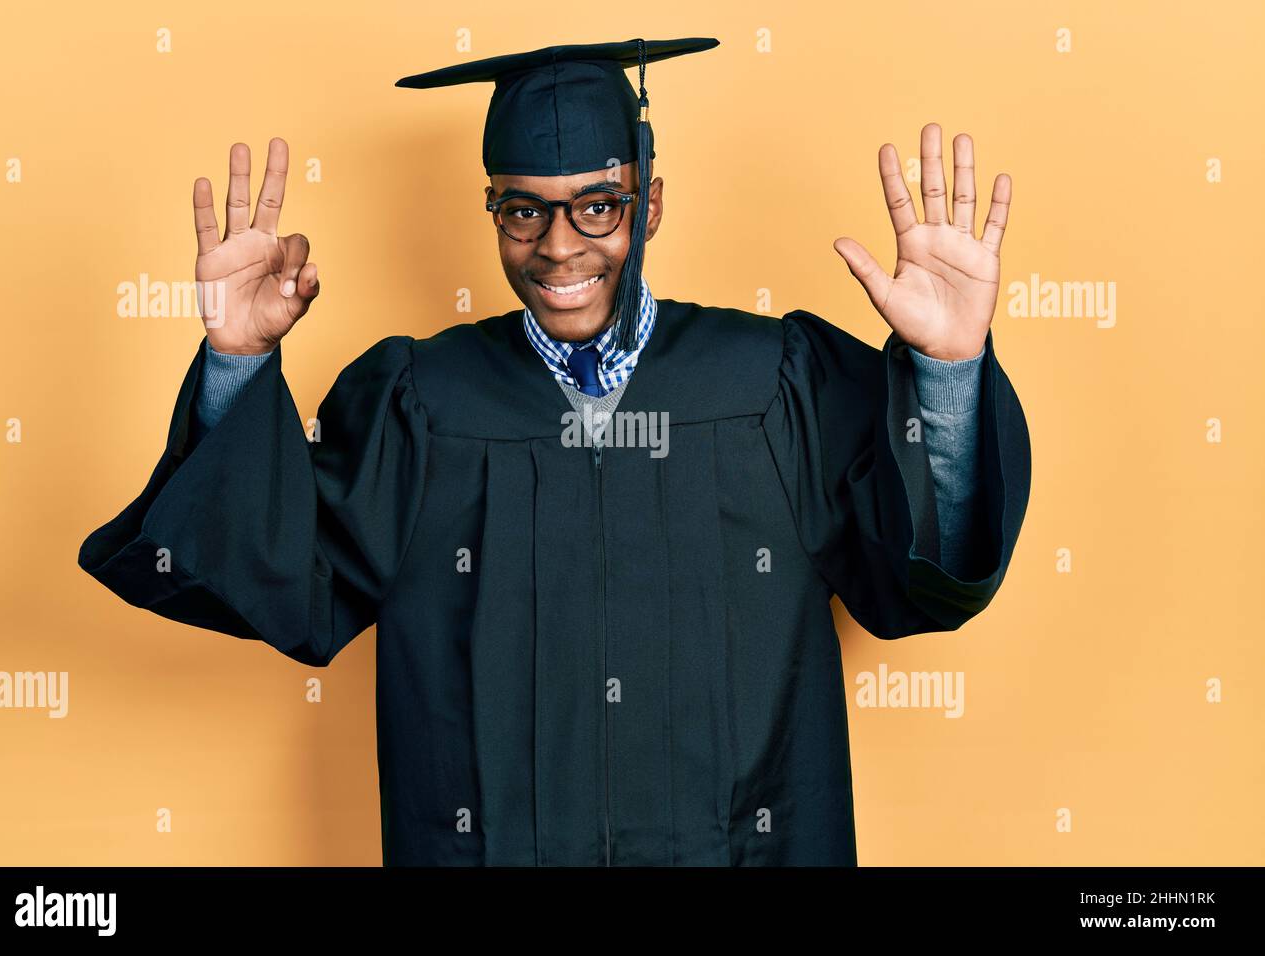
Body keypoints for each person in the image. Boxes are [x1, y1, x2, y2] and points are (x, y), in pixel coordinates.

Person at [78, 37, 1030, 866]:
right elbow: (277, 578)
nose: (559, 244)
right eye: (523, 209)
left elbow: (921, 578)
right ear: (494, 211)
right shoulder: (421, 403)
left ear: (648, 203)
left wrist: (946, 373)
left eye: (598, 206)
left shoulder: (773, 382)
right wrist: (238, 365)